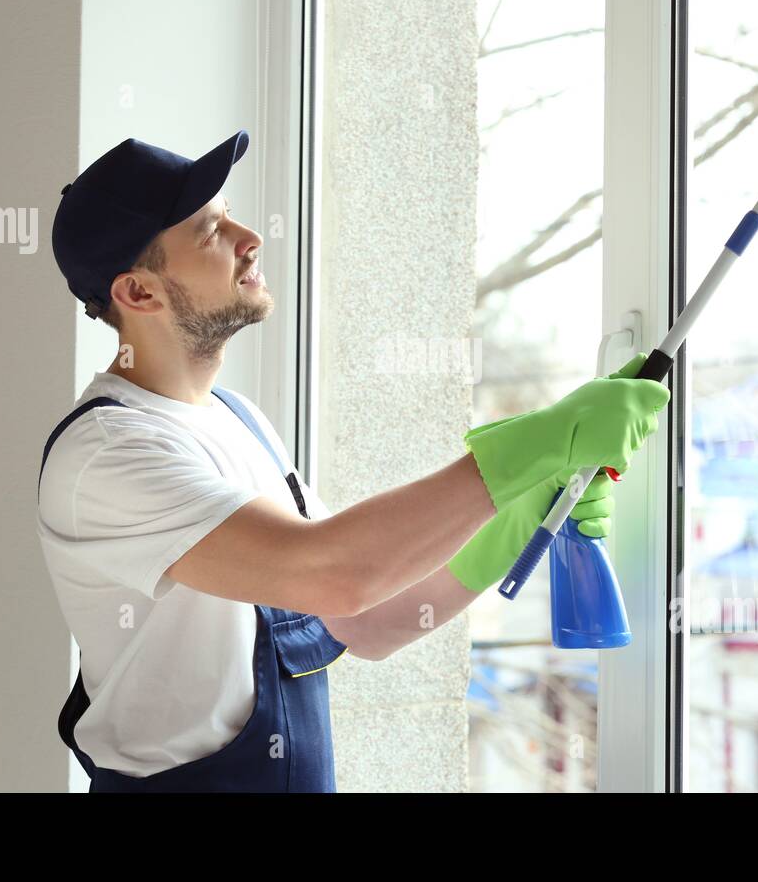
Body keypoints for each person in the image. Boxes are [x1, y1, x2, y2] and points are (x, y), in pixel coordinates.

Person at [37, 131, 670, 792]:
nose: (251, 238)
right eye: (211, 231)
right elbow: (335, 574)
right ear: (139, 295)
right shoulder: (108, 455)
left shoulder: (237, 420)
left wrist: (510, 520)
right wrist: (531, 446)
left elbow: (361, 621)